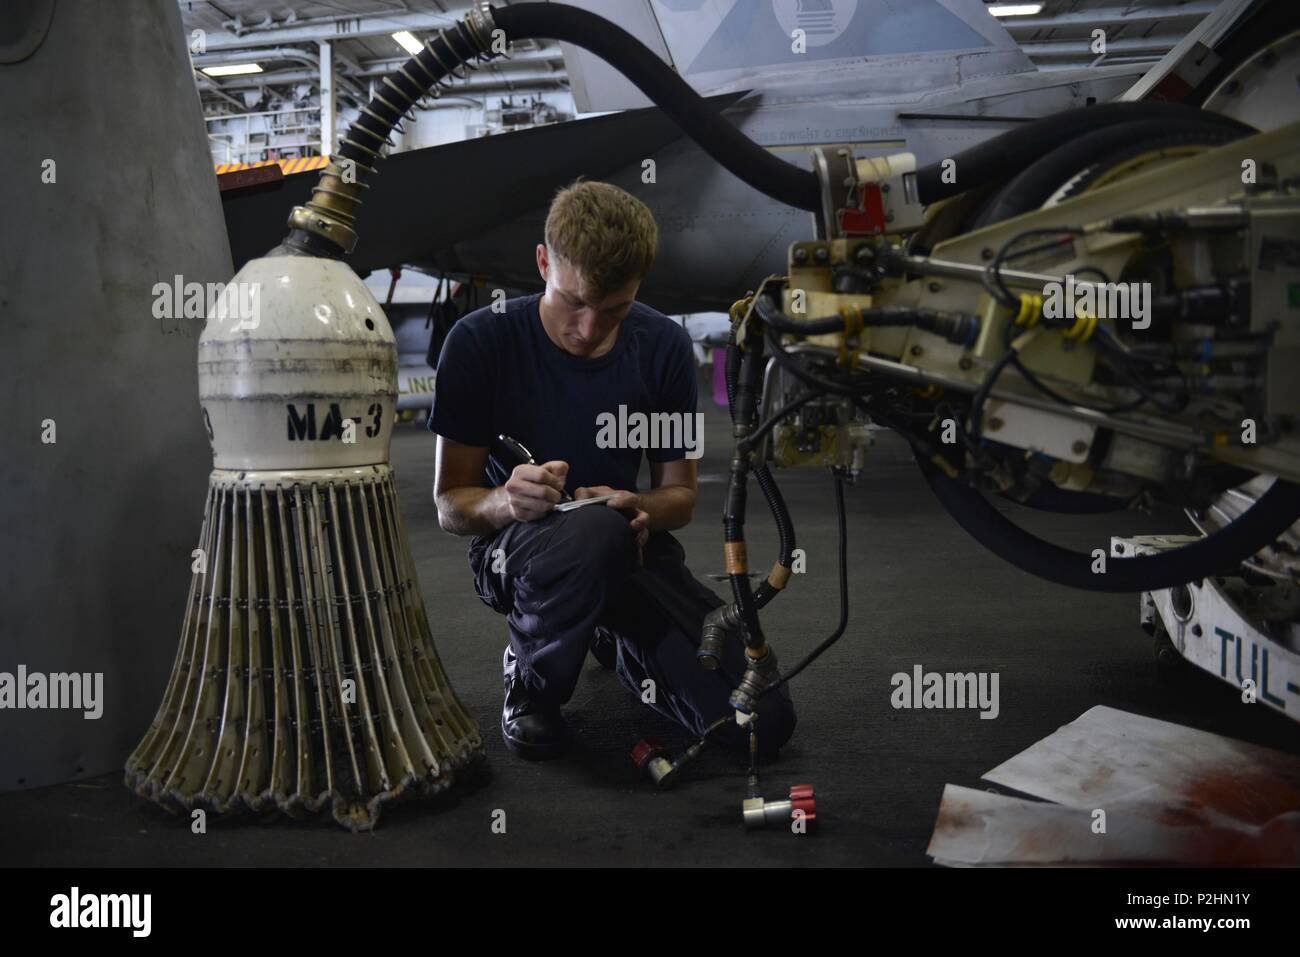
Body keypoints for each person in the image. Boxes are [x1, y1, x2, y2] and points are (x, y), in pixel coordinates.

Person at [429, 178, 795, 761]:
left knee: (760, 723)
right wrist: (504, 501)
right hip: (516, 556)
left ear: (638, 288)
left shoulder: (665, 347)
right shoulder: (480, 341)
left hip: (631, 549)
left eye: (614, 310)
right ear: (543, 262)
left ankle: (610, 632)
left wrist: (638, 505)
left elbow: (680, 496)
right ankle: (531, 685)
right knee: (589, 534)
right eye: (574, 303)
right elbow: (451, 505)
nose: (589, 330)